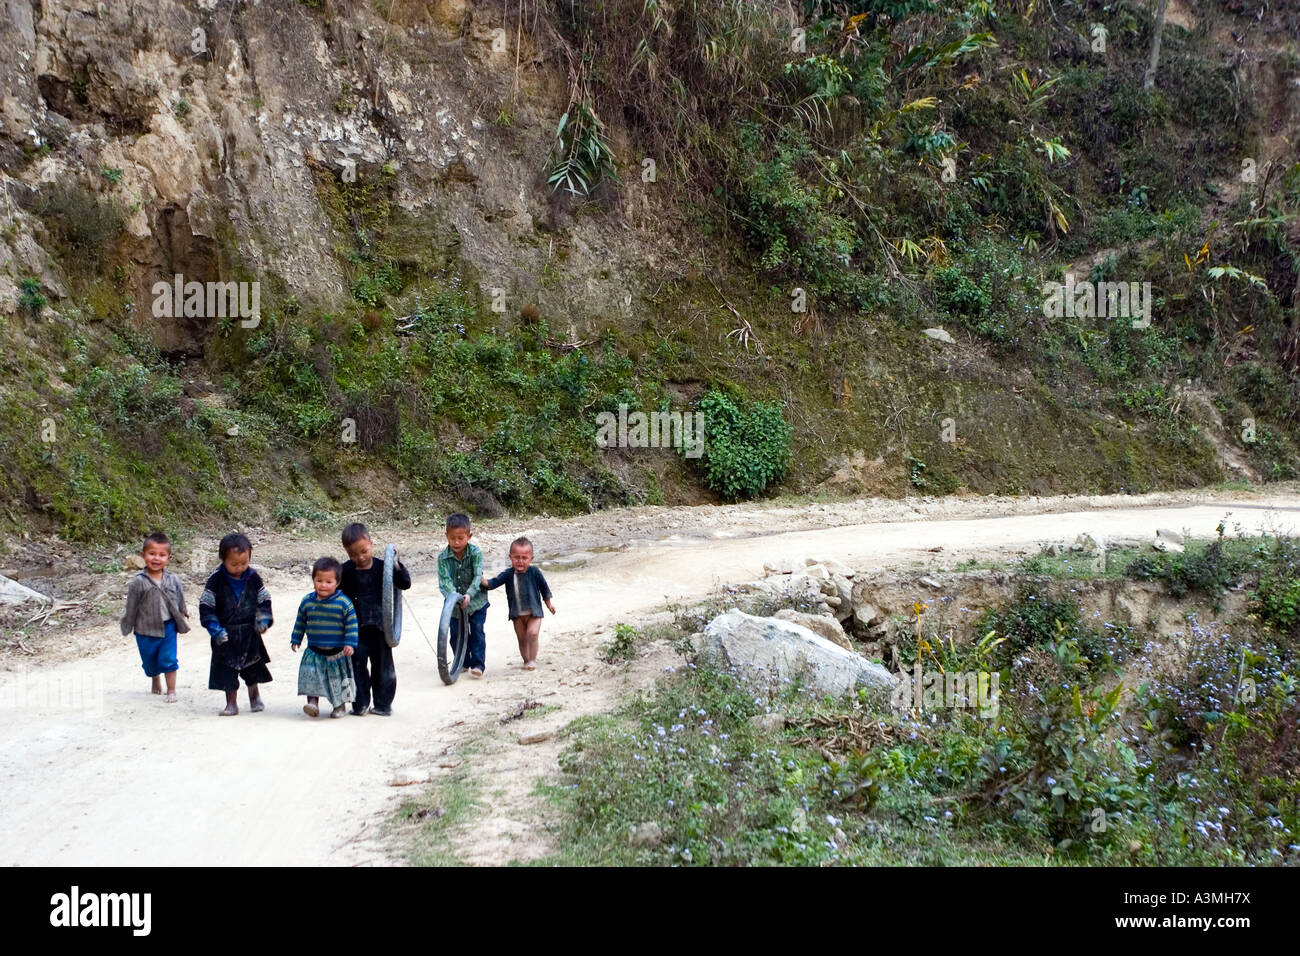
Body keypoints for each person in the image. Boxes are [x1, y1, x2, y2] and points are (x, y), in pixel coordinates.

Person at [199, 533, 274, 716]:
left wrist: (263, 620)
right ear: (223, 559)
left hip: (249, 633)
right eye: (234, 564)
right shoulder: (216, 580)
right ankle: (231, 703)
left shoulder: (253, 578)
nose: (239, 568)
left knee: (252, 667)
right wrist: (215, 629)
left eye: (244, 563)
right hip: (225, 634)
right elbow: (206, 606)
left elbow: (264, 600)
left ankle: (254, 696)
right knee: (227, 670)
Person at [340, 523, 410, 716]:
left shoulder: (383, 567)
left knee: (383, 669)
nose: (360, 557)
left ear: (371, 544)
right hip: (355, 632)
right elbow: (334, 596)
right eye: (353, 554)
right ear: (346, 552)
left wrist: (395, 564)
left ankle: (383, 704)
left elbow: (405, 583)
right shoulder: (344, 571)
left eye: (363, 551)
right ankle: (360, 704)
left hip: (381, 629)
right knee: (356, 667)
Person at [119, 531, 189, 703]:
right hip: (145, 629)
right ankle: (154, 677)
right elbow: (132, 606)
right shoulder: (138, 582)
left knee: (169, 659)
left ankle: (171, 690)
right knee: (150, 662)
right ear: (143, 556)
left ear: (168, 558)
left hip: (168, 627)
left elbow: (179, 597)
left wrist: (183, 610)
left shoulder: (173, 579)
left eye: (162, 555)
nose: (156, 558)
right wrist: (127, 625)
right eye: (152, 554)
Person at [290, 557, 357, 718]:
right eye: (319, 580)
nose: (323, 585)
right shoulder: (307, 602)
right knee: (311, 677)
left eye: (328, 582)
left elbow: (351, 625)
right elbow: (300, 621)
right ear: (313, 580)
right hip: (314, 651)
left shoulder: (344, 603)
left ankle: (339, 706)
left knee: (337, 681)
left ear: (337, 582)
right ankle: (313, 703)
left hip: (337, 652)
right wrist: (296, 638)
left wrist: (350, 643)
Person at [481, 537, 555, 670]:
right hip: (517, 614)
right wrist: (482, 580)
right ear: (510, 557)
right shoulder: (508, 574)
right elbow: (493, 583)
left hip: (534, 612)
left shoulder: (535, 572)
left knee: (532, 634)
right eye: (516, 557)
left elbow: (544, 588)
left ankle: (532, 660)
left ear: (531, 558)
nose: (520, 561)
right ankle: (526, 660)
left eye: (524, 558)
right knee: (521, 638)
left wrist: (549, 603)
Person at [437, 513, 488, 677]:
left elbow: (477, 577)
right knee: (455, 635)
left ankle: (478, 664)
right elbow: (444, 582)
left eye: (460, 538)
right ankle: (463, 661)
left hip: (476, 602)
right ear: (446, 536)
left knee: (477, 632)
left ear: (469, 536)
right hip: (454, 607)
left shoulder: (476, 553)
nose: (456, 542)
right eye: (452, 538)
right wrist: (455, 597)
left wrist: (468, 595)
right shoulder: (442, 558)